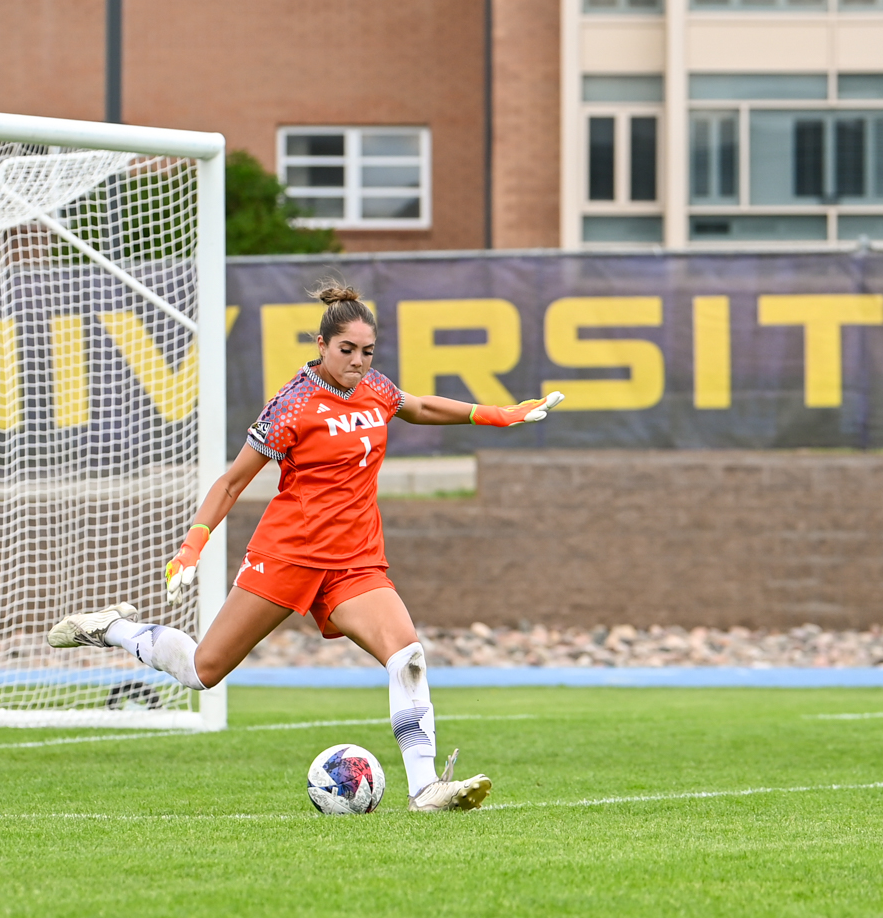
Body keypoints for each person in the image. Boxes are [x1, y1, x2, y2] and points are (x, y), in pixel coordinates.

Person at [49, 282, 563, 811]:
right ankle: (111, 628)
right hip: (287, 555)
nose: (358, 362)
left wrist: (502, 414)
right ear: (321, 345)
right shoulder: (291, 406)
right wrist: (190, 549)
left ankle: (424, 789)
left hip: (355, 562)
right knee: (203, 670)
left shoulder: (377, 389)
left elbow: (422, 406)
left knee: (406, 655)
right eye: (347, 350)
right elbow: (230, 484)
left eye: (367, 351)